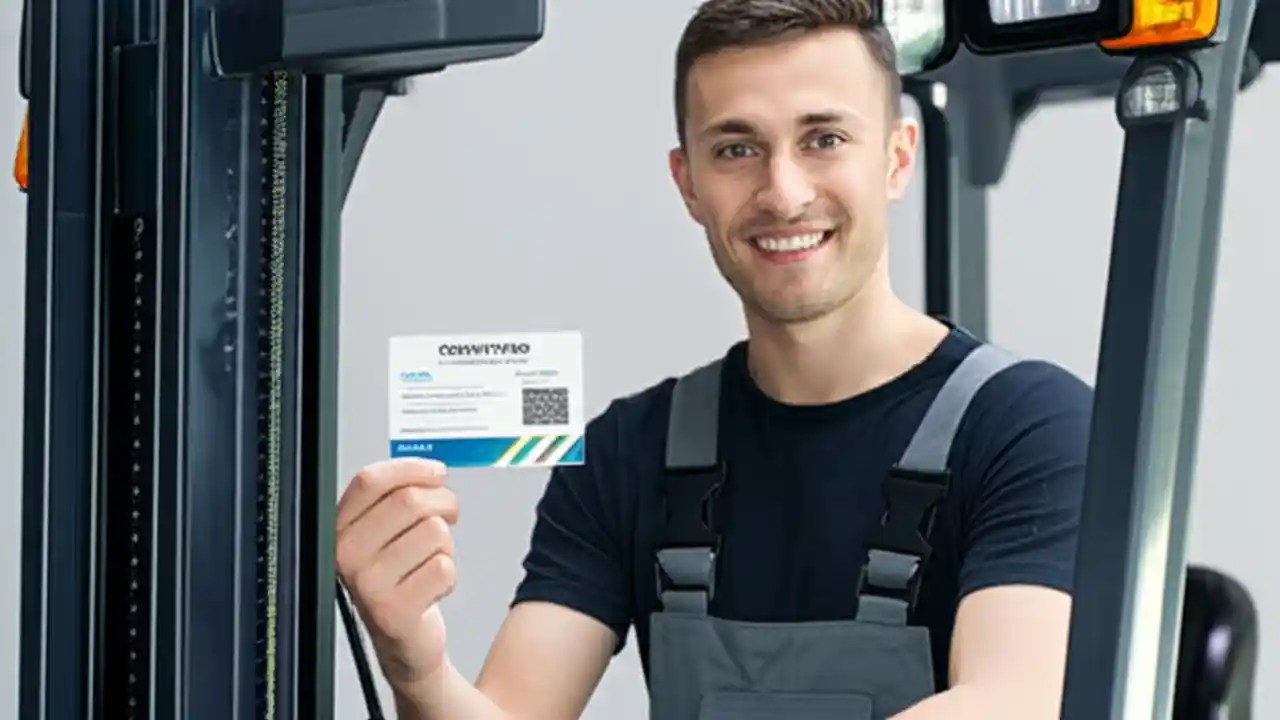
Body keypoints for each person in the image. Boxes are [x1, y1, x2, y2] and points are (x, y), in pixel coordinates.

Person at [334, 0, 1094, 718]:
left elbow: (1008, 700)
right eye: (737, 149)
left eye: (823, 139)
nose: (783, 191)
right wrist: (418, 669)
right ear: (688, 182)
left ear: (897, 159)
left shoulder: (1031, 429)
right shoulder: (627, 457)